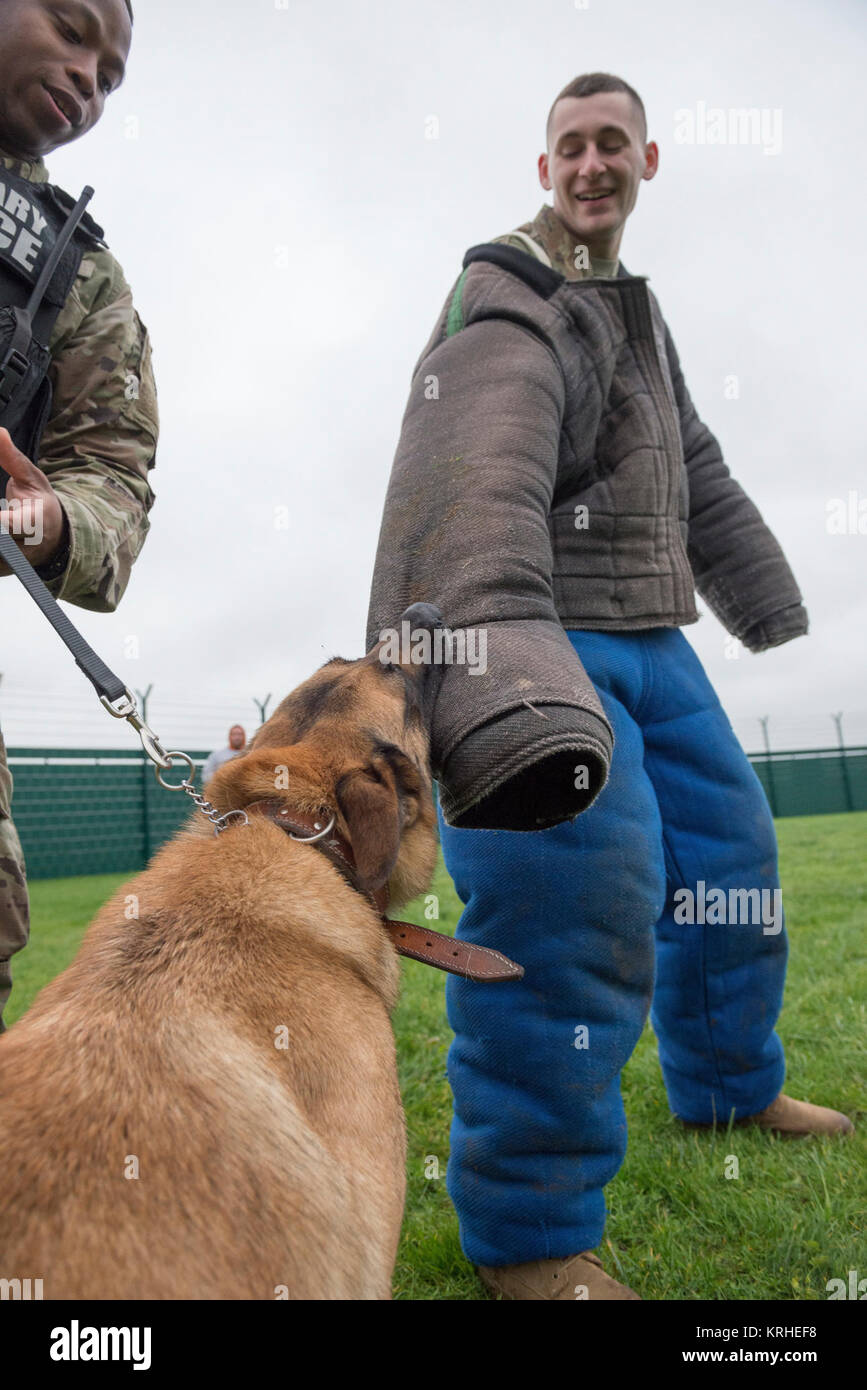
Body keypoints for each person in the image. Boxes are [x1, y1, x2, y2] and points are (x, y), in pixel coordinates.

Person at [366, 72, 853, 1301]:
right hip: (544, 631)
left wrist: (767, 598)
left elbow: (695, 462)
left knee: (732, 858)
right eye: (570, 147)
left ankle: (732, 1090)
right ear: (545, 171)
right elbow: (472, 452)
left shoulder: (640, 318)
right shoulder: (508, 285)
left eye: (611, 146)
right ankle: (530, 1232)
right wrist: (480, 639)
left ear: (647, 160)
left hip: (660, 636)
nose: (591, 165)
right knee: (573, 883)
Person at [0, 0, 157, 1031]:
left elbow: (115, 482)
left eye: (110, 72)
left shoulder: (80, 273)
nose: (88, 74)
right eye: (70, 25)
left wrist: (45, 518)